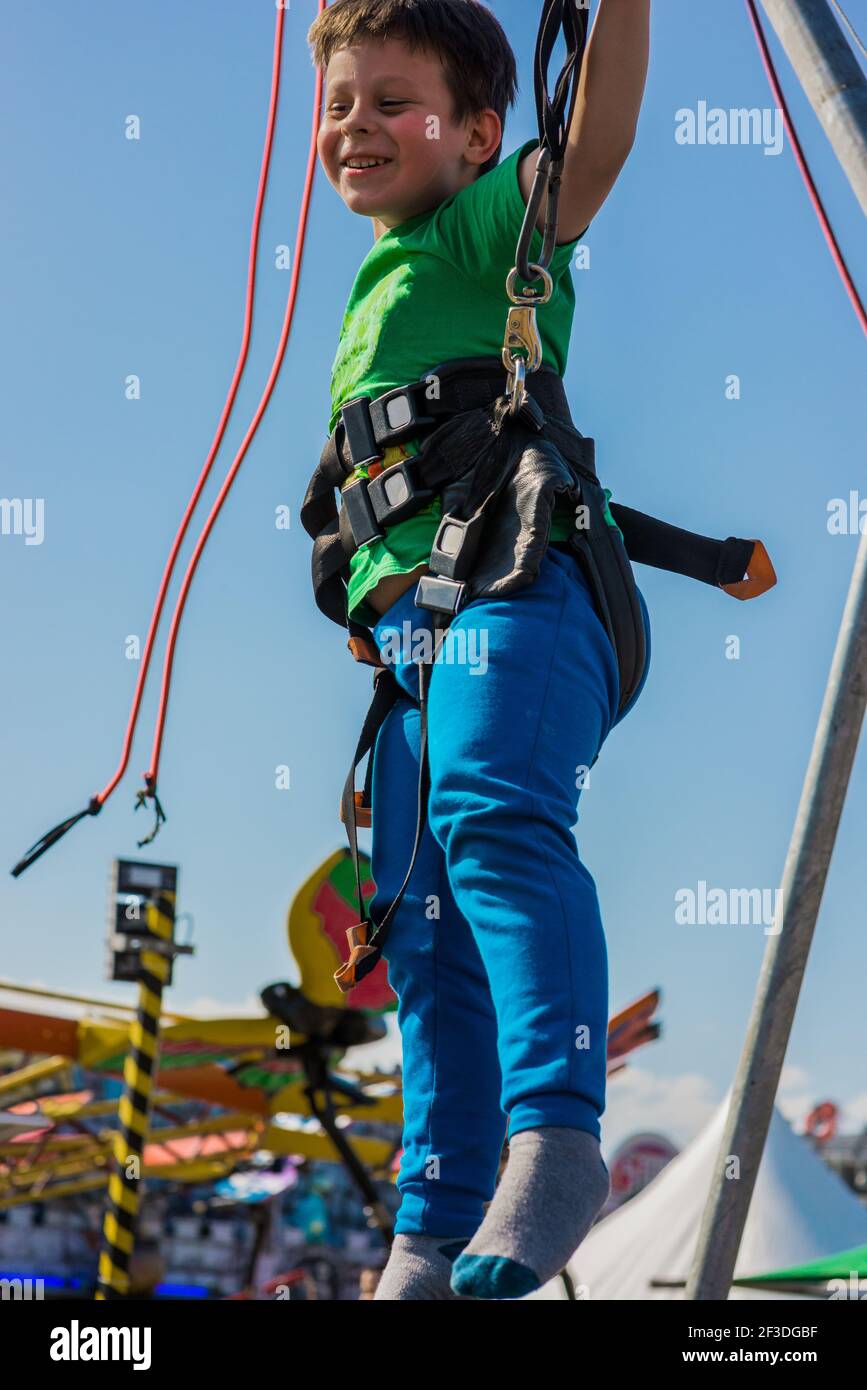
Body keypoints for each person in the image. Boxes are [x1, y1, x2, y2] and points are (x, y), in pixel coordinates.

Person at [306, 0, 651, 1300]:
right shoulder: (377, 278)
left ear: (480, 132)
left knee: (494, 821)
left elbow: (594, 141)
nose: (356, 126)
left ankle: (558, 1135)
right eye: (340, 104)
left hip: (527, 593)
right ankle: (431, 1221)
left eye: (392, 102)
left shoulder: (478, 227)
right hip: (418, 650)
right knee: (418, 924)